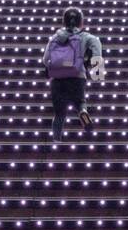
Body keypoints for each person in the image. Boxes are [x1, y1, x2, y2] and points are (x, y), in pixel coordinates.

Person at [42, 8, 103, 141]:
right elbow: (97, 51)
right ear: (81, 21)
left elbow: (45, 60)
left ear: (64, 21)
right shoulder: (86, 37)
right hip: (77, 76)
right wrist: (97, 73)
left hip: (57, 79)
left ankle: (57, 140)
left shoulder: (54, 38)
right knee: (80, 103)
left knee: (59, 114)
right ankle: (82, 112)